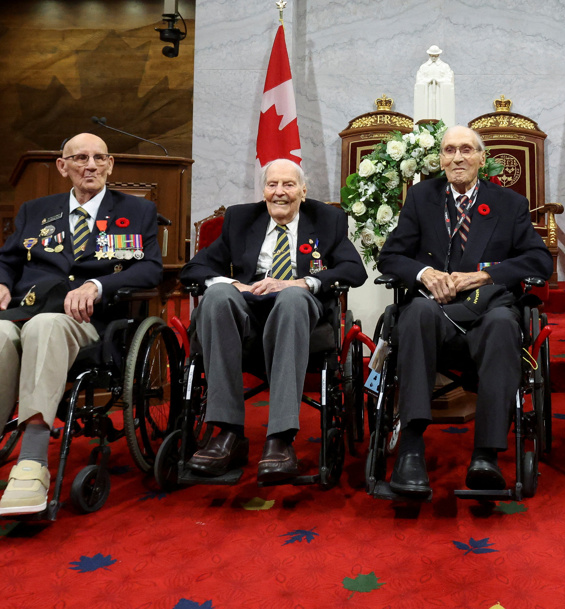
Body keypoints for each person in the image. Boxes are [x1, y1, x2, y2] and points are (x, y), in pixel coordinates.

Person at [377, 125, 552, 497]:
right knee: (414, 316)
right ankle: (410, 449)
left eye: (467, 150)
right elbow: (389, 256)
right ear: (439, 158)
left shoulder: (509, 203)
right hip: (434, 311)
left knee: (505, 325)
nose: (457, 157)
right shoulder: (421, 198)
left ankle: (486, 455)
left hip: (488, 311)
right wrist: (425, 273)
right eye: (449, 150)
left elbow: (538, 259)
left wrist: (484, 276)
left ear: (482, 158)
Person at [0, 133, 162, 514]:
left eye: (98, 158)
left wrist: (98, 284)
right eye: (80, 158)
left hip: (88, 322)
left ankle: (33, 462)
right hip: (25, 310)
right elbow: (7, 259)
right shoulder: (35, 210)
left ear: (110, 164)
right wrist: (3, 282)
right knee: (1, 332)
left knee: (47, 327)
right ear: (63, 167)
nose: (90, 165)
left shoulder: (137, 212)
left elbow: (151, 268)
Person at [180, 158, 366, 483]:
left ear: (303, 191)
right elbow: (194, 269)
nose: (279, 192)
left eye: (289, 185)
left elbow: (354, 270)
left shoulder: (328, 220)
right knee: (216, 296)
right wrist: (233, 284)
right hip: (246, 315)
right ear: (263, 191)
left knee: (292, 299)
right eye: (272, 185)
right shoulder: (240, 219)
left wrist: (299, 283)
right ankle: (227, 432)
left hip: (300, 316)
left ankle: (280, 438)